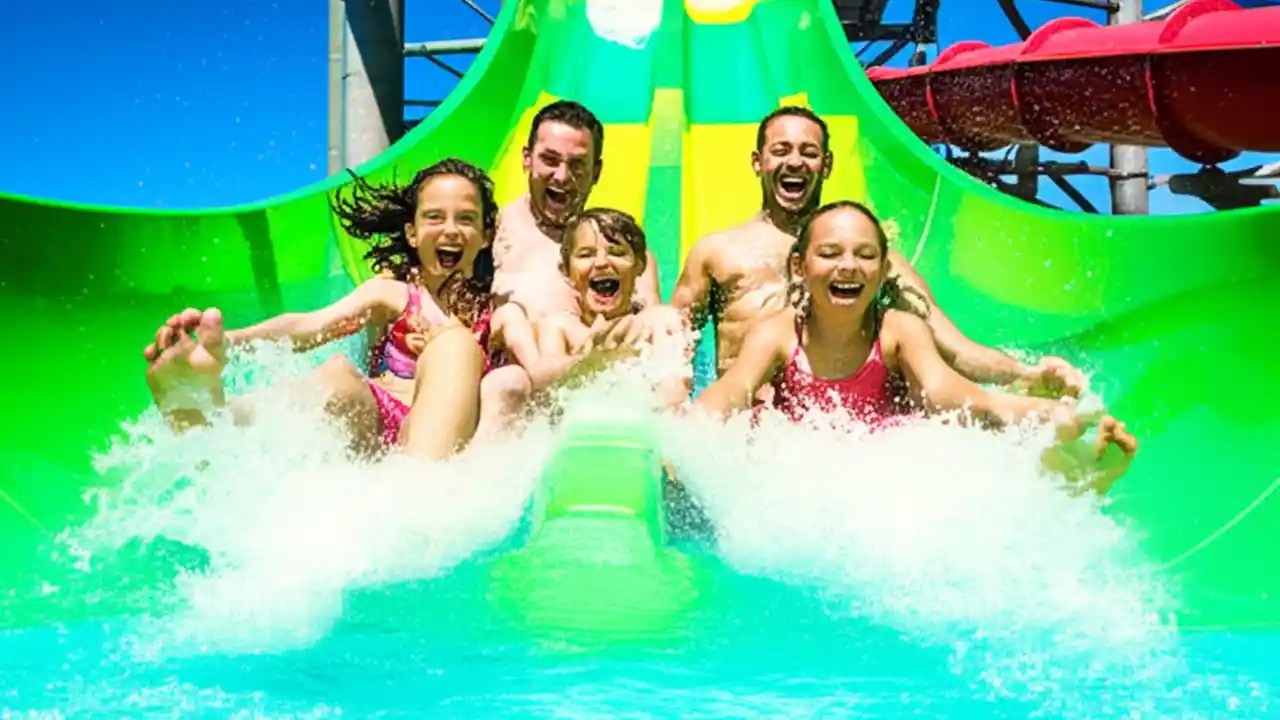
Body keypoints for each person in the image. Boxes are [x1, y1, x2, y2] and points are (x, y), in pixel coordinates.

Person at [694, 201, 1137, 490]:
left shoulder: (898, 331)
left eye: (865, 255)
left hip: (885, 473)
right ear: (800, 266)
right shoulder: (777, 333)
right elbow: (728, 394)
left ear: (885, 268)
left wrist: (1054, 416)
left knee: (972, 451)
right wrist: (678, 443)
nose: (849, 266)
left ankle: (1081, 477)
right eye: (830, 253)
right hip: (806, 477)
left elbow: (963, 400)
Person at [672, 106, 1085, 398]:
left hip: (839, 426)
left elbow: (953, 347)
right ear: (757, 162)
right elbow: (672, 354)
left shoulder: (870, 264)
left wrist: (1025, 374)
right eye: (781, 151)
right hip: (753, 432)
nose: (795, 161)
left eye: (809, 153)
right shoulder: (717, 254)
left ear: (827, 165)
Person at [141, 158, 540, 461]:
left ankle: (421, 493)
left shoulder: (500, 313)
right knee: (337, 375)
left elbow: (538, 374)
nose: (450, 229)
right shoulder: (391, 295)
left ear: (486, 234)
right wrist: (230, 342)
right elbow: (307, 326)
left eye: (466, 219)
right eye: (434, 217)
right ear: (412, 234)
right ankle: (213, 418)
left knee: (455, 346)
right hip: (378, 431)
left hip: (441, 442)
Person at [476, 99, 670, 434]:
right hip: (522, 403)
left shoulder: (628, 256)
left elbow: (655, 341)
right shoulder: (490, 233)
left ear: (596, 171)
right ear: (527, 159)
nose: (562, 176)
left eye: (578, 165)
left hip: (601, 399)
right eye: (549, 160)